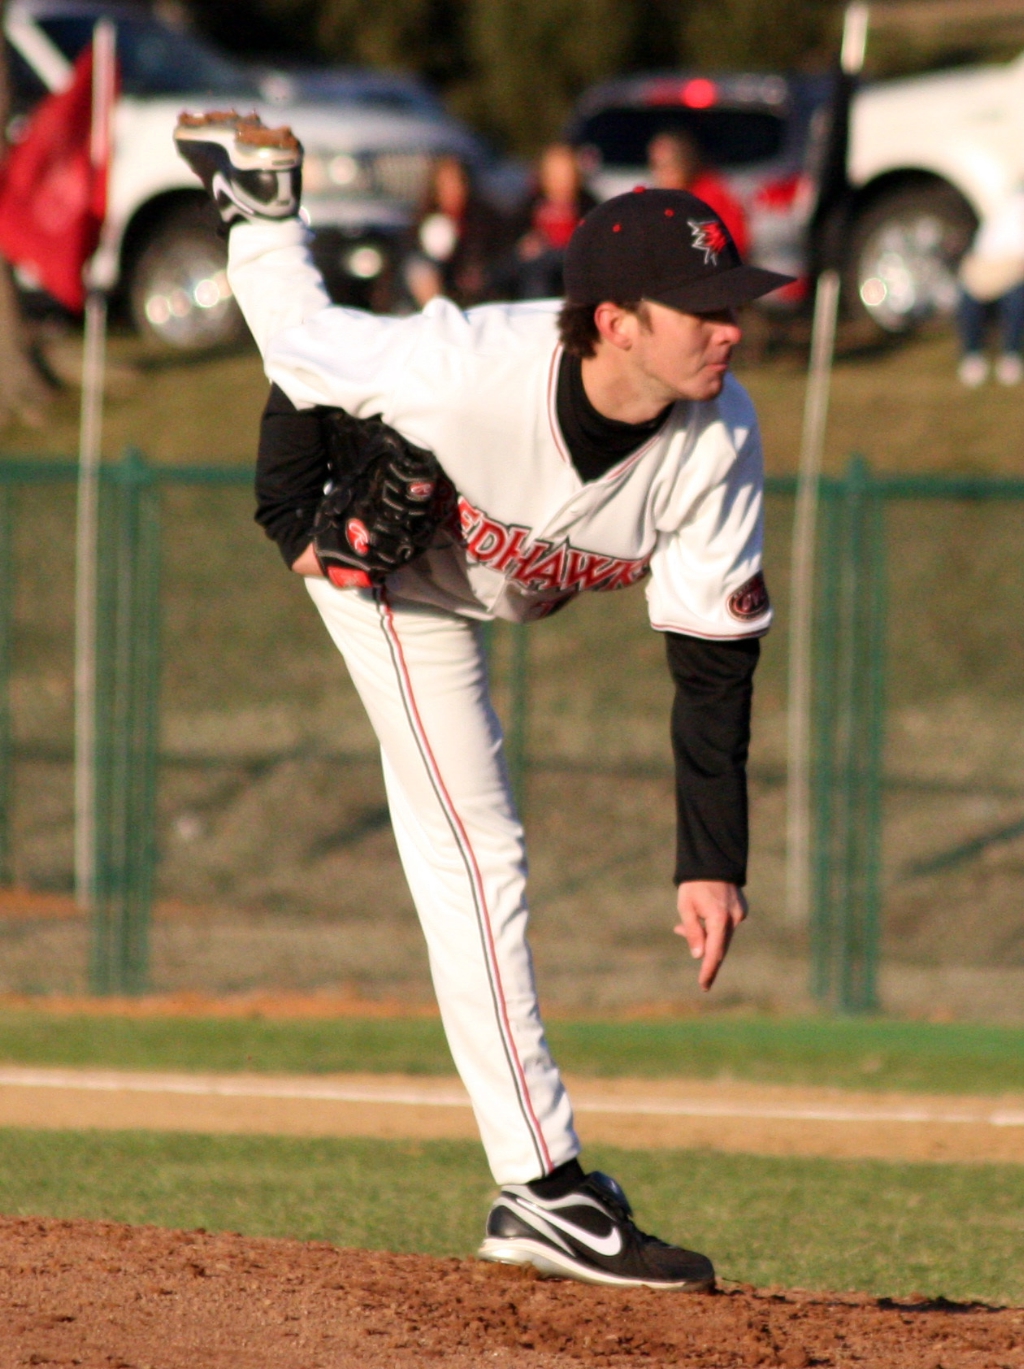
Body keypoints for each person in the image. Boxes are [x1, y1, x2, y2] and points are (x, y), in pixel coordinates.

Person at [174, 111, 791, 1292]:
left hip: (485, 591)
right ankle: (543, 1184)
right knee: (477, 846)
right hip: (391, 587)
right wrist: (291, 520)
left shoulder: (718, 438)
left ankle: (535, 1189)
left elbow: (714, 657)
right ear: (614, 323)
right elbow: (303, 351)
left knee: (480, 846)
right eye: (704, 309)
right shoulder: (466, 366)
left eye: (735, 302)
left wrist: (709, 860)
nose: (731, 327)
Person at [401, 154, 504, 310]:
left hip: (471, 291)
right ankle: (438, 315)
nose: (454, 189)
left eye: (458, 182)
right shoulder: (423, 222)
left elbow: (497, 257)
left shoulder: (483, 221)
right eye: (446, 183)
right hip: (435, 291)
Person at [955, 188, 1024, 387]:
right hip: (989, 265)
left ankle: (1011, 355)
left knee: (1016, 299)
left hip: (1015, 269)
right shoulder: (1007, 206)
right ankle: (972, 355)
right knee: (969, 297)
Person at [511, 142, 597, 299]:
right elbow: (509, 246)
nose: (562, 183)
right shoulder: (527, 209)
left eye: (566, 174)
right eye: (555, 175)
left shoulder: (592, 208)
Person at [647, 129, 749, 260]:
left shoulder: (711, 196)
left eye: (667, 166)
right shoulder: (656, 200)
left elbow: (733, 245)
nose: (660, 175)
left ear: (686, 163)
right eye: (656, 166)